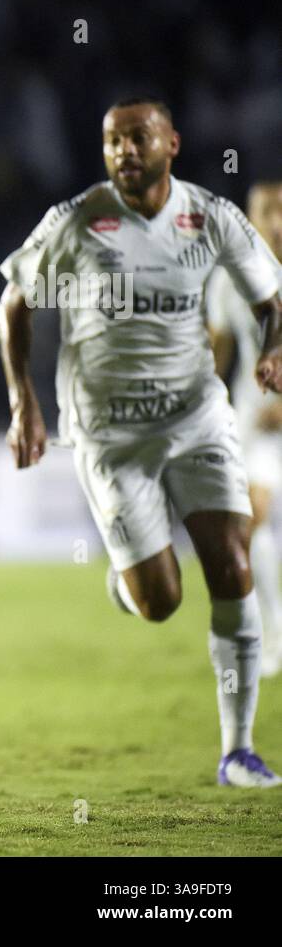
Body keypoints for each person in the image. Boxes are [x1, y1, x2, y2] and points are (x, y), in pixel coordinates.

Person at [0, 98, 282, 787]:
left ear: (171, 143)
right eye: (111, 140)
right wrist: (23, 401)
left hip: (196, 418)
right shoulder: (75, 221)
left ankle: (237, 749)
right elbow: (14, 303)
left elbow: (271, 300)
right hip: (109, 431)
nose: (123, 150)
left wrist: (273, 352)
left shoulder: (211, 216)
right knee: (161, 600)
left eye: (137, 137)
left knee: (234, 561)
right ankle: (131, 586)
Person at [207, 181, 282, 677]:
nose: (274, 221)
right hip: (255, 423)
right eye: (265, 210)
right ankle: (273, 639)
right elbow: (218, 352)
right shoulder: (229, 279)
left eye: (280, 211)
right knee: (252, 515)